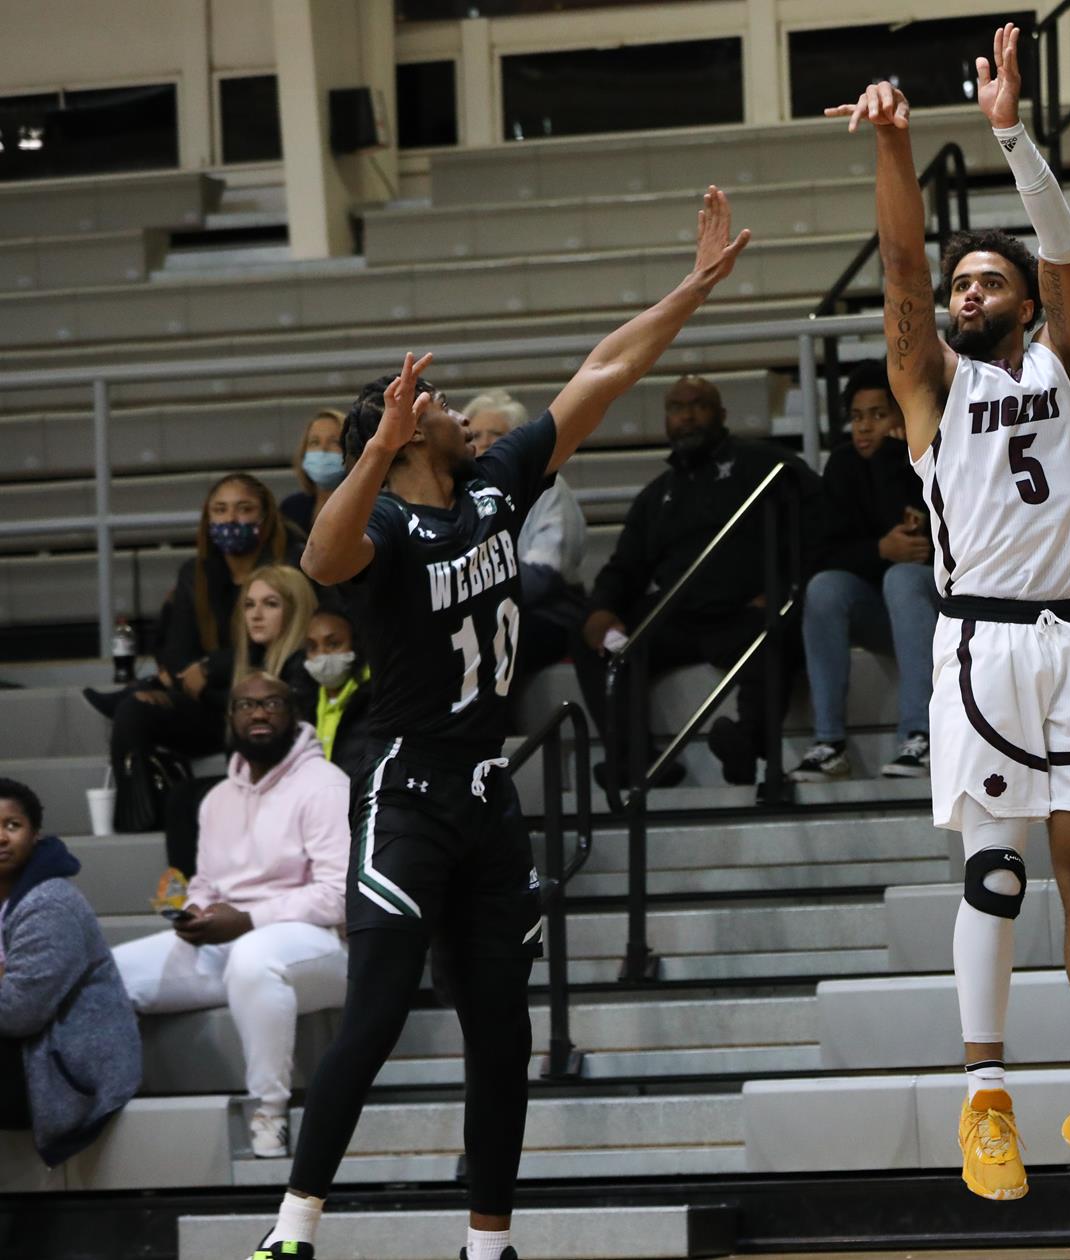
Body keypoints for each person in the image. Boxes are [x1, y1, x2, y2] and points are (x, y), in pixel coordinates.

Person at [245, 186, 749, 1260]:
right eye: (434, 405)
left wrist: (690, 291)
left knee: (502, 1030)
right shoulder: (381, 518)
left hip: (484, 791)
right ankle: (293, 1230)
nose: (456, 411)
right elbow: (321, 565)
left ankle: (488, 1245)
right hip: (404, 783)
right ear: (402, 421)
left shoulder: (494, 486)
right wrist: (376, 446)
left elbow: (602, 374)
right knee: (378, 1011)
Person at [830, 23, 1070, 1201]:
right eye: (960, 283)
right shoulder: (927, 385)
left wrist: (1010, 137)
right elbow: (901, 267)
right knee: (994, 877)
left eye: (985, 281)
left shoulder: (1064, 365)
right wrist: (895, 149)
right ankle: (985, 1099)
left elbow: (1063, 257)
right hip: (981, 643)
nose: (964, 292)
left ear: (1017, 306)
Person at [111, 672, 350, 1160]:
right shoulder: (217, 798)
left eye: (272, 704)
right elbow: (206, 883)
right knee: (108, 974)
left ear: (293, 714)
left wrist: (247, 920)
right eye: (246, 705)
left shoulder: (325, 785)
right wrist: (197, 913)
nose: (258, 713)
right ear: (231, 717)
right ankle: (107, 1096)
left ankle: (271, 1110)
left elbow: (339, 895)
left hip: (322, 947)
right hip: (231, 943)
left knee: (253, 957)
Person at [572, 374, 823, 799]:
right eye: (676, 408)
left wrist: (786, 587)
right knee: (591, 639)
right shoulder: (657, 494)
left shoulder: (765, 464)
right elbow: (625, 566)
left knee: (777, 633)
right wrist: (602, 608)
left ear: (721, 414)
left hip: (747, 612)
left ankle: (746, 743)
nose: (687, 417)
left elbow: (817, 528)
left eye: (698, 405)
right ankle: (636, 760)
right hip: (678, 618)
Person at [86, 475, 295, 830]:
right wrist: (192, 676)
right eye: (220, 510)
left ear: (265, 518)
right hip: (207, 705)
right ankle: (138, 819)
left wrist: (210, 667)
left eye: (244, 509)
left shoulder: (287, 570)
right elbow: (177, 651)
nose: (230, 520)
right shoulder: (195, 573)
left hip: (259, 702)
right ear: (207, 519)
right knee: (133, 712)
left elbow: (275, 648)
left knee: (245, 698)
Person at [790, 360, 937, 782]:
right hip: (883, 612)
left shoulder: (929, 455)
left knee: (903, 577)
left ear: (902, 417)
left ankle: (922, 735)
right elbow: (820, 554)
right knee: (825, 588)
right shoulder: (841, 466)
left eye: (877, 415)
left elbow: (925, 543)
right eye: (857, 417)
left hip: (940, 607)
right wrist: (879, 549)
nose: (864, 428)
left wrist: (894, 458)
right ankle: (829, 744)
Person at [117, 562, 316, 847]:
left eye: (270, 604)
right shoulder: (252, 663)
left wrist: (206, 694)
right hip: (256, 782)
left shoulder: (303, 666)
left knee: (186, 800)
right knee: (184, 797)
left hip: (288, 786)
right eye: (249, 605)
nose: (256, 615)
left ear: (295, 610)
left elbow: (270, 726)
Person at [0, 778, 142, 1168]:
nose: (1, 838)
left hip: (67, 1069)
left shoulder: (49, 905)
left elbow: (17, 1012)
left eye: (12, 826)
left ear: (35, 835)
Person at [464, 390, 590, 680]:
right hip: (487, 606)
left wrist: (480, 594)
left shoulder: (549, 488)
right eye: (476, 434)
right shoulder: (466, 495)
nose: (483, 442)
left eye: (495, 433)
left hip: (548, 613)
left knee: (490, 642)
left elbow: (545, 576)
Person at [301, 609, 374, 782]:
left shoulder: (377, 697)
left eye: (333, 644)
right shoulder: (303, 699)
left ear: (356, 644)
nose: (322, 654)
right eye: (312, 647)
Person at [281, 410, 349, 536]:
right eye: (315, 442)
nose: (323, 449)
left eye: (334, 442)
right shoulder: (291, 508)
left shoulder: (370, 507)